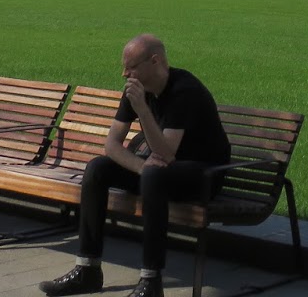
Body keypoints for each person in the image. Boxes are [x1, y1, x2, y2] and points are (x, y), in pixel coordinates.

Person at [39, 34, 229, 297]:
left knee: (153, 175)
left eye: (131, 67)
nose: (124, 74)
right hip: (161, 172)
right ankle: (87, 270)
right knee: (97, 169)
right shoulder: (136, 89)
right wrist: (141, 167)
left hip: (204, 175)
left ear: (155, 61)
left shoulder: (184, 91)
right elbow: (111, 145)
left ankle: (151, 283)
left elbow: (165, 153)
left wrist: (142, 110)